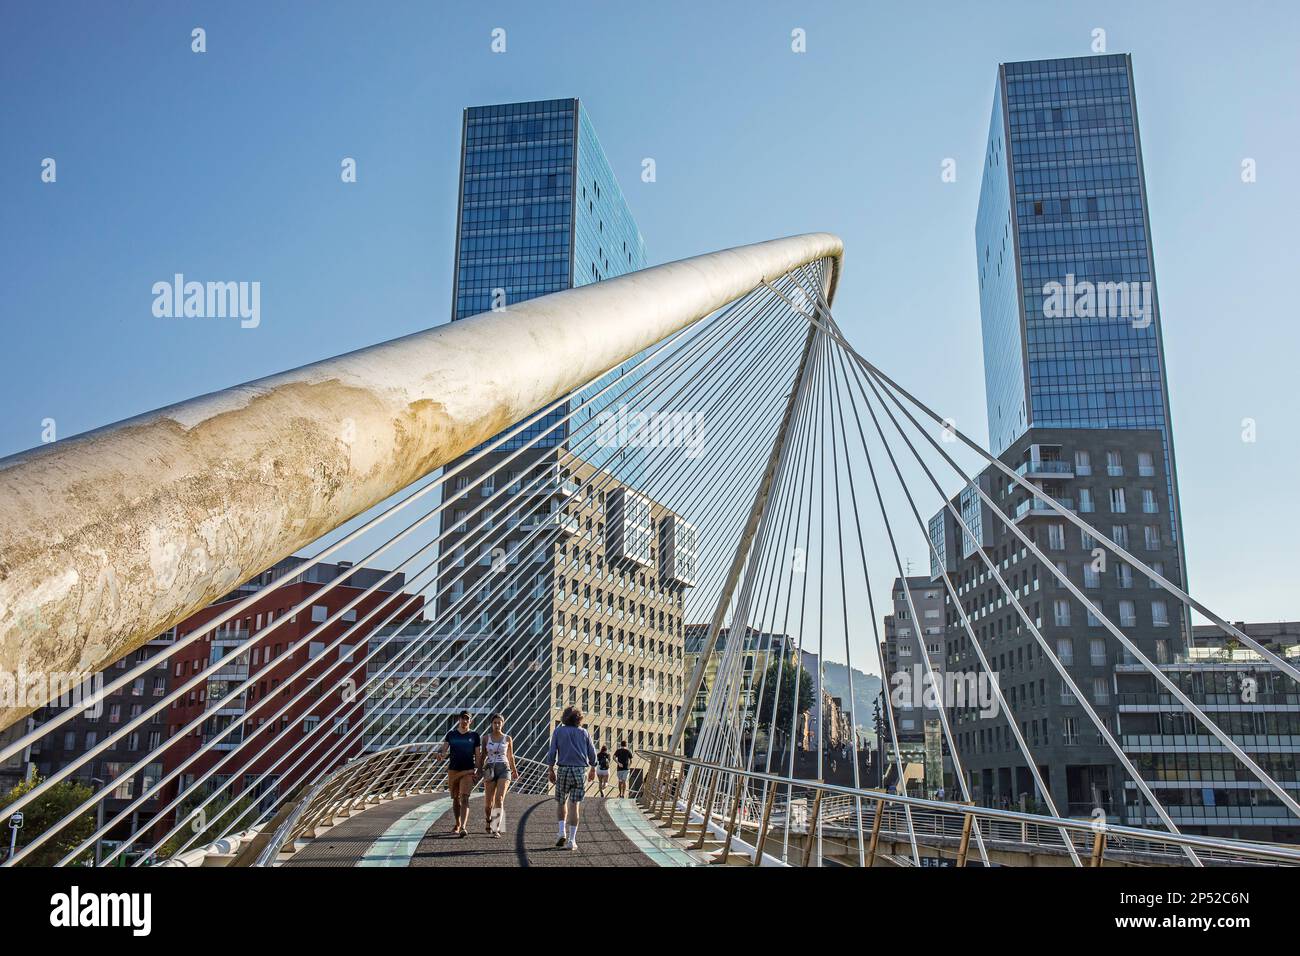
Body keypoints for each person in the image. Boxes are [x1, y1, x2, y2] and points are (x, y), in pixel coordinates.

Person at [546, 706, 597, 850]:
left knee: (561, 802)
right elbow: (592, 752)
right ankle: (571, 841)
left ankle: (561, 832)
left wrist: (550, 769)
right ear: (579, 718)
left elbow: (552, 751)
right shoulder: (584, 733)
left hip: (563, 769)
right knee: (574, 805)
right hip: (579, 771)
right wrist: (593, 768)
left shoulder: (558, 731)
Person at [438, 710, 480, 837]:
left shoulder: (474, 736)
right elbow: (444, 750)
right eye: (463, 718)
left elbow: (478, 754)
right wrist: (440, 755)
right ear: (459, 720)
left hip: (468, 770)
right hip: (453, 770)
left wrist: (478, 769)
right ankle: (457, 824)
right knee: (456, 798)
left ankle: (463, 826)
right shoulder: (451, 734)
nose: (465, 721)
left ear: (470, 721)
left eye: (467, 719)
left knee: (465, 797)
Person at [477, 713, 519, 837]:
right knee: (488, 803)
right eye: (495, 722)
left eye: (499, 722)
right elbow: (483, 755)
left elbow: (510, 756)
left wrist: (514, 770)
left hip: (504, 768)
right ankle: (488, 820)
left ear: (502, 724)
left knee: (499, 799)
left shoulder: (507, 738)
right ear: (491, 724)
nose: (497, 725)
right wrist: (479, 770)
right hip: (489, 768)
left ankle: (497, 828)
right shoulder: (486, 738)